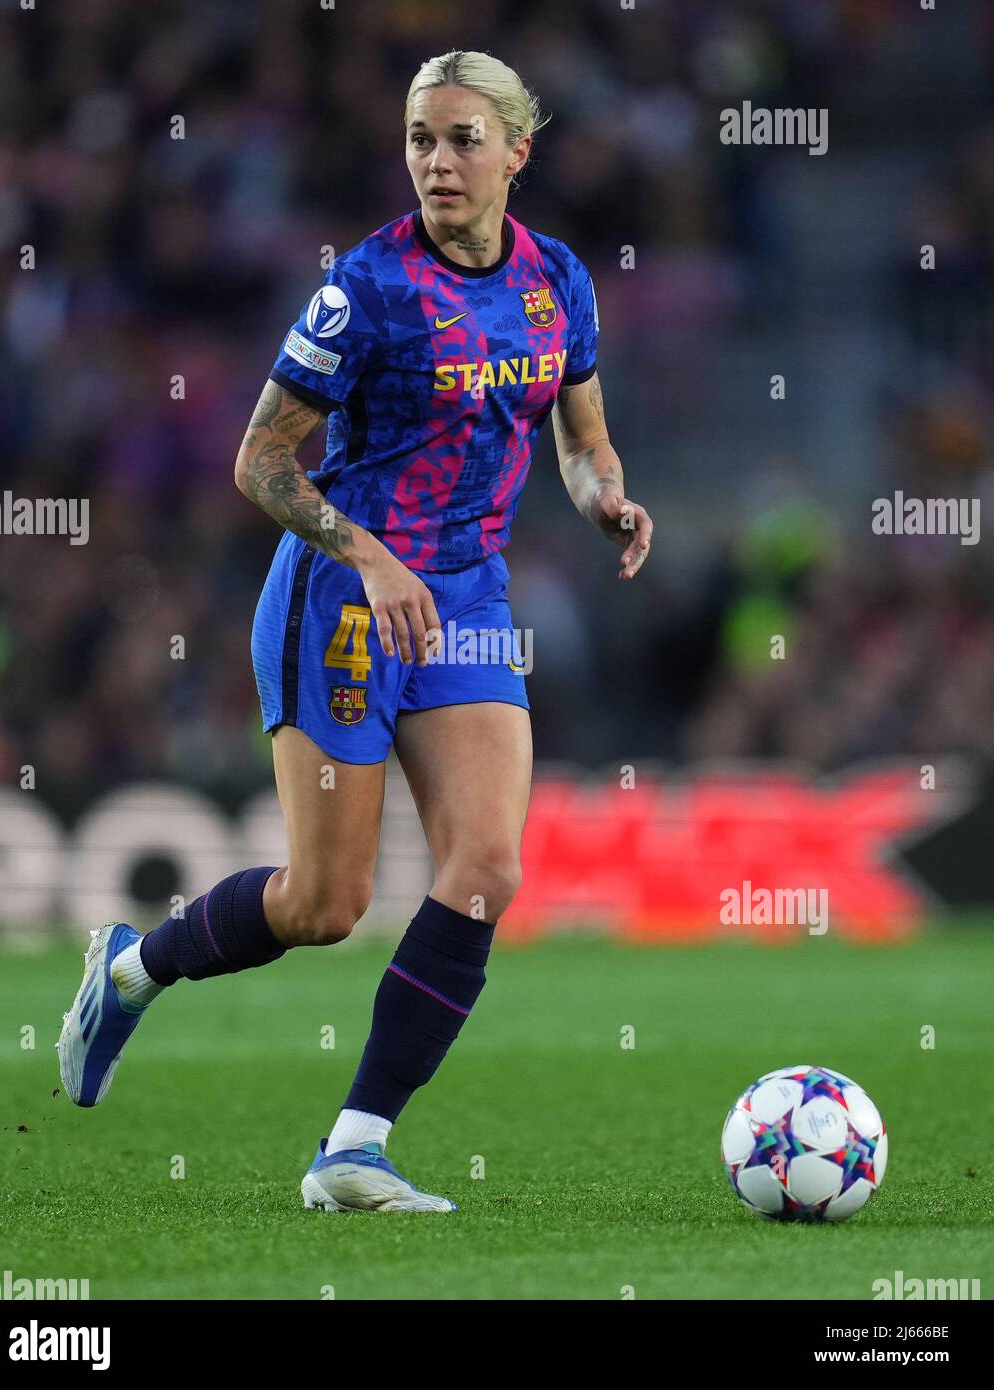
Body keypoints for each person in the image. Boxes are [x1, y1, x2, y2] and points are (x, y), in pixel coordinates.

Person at [57, 49, 653, 1212]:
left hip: (467, 599)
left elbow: (581, 440)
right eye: (420, 139)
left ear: (515, 153)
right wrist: (367, 553)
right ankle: (130, 970)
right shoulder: (366, 289)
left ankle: (353, 1148)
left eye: (462, 139)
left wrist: (604, 501)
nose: (437, 160)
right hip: (340, 600)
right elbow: (260, 460)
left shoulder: (561, 283)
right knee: (321, 907)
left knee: (483, 871)